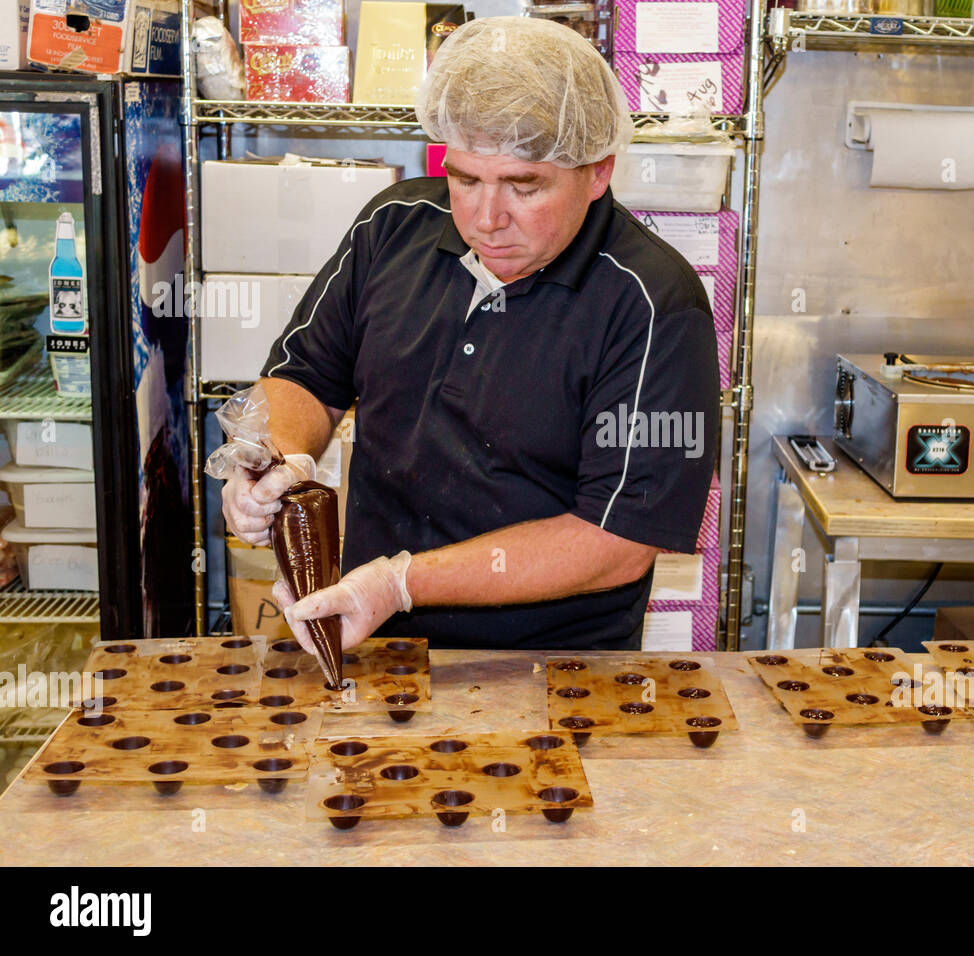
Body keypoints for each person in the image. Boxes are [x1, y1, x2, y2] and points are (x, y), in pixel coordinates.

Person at [220, 16, 720, 653]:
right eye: (465, 179)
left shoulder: (652, 303)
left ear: (598, 172)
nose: (487, 219)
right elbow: (305, 378)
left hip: (550, 673)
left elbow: (617, 540)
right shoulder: (393, 226)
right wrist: (283, 459)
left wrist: (401, 582)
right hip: (374, 643)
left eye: (524, 185)